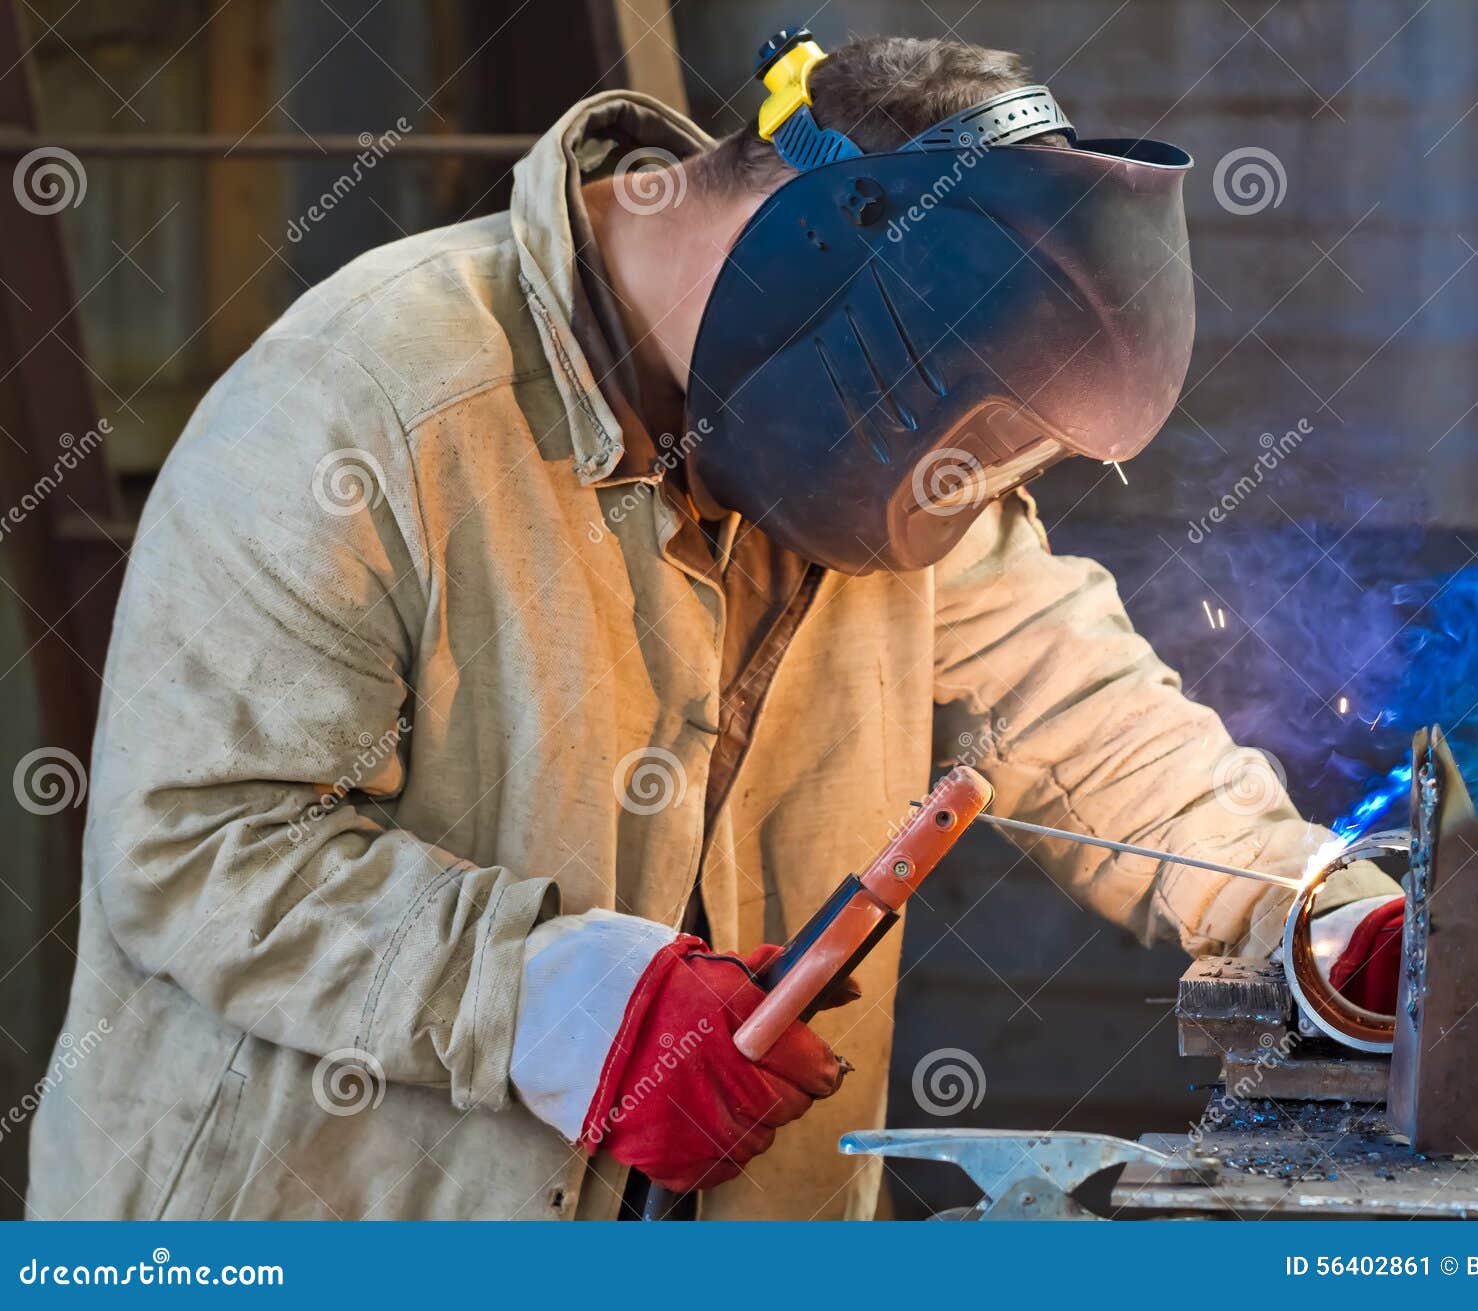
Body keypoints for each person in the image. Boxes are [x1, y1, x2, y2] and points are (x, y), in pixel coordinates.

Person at [30, 32, 1396, 1222]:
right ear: (825, 260)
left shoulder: (870, 444)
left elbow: (1076, 711)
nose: (961, 498)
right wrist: (571, 1011)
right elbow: (196, 841)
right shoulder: (369, 405)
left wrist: (1310, 916)